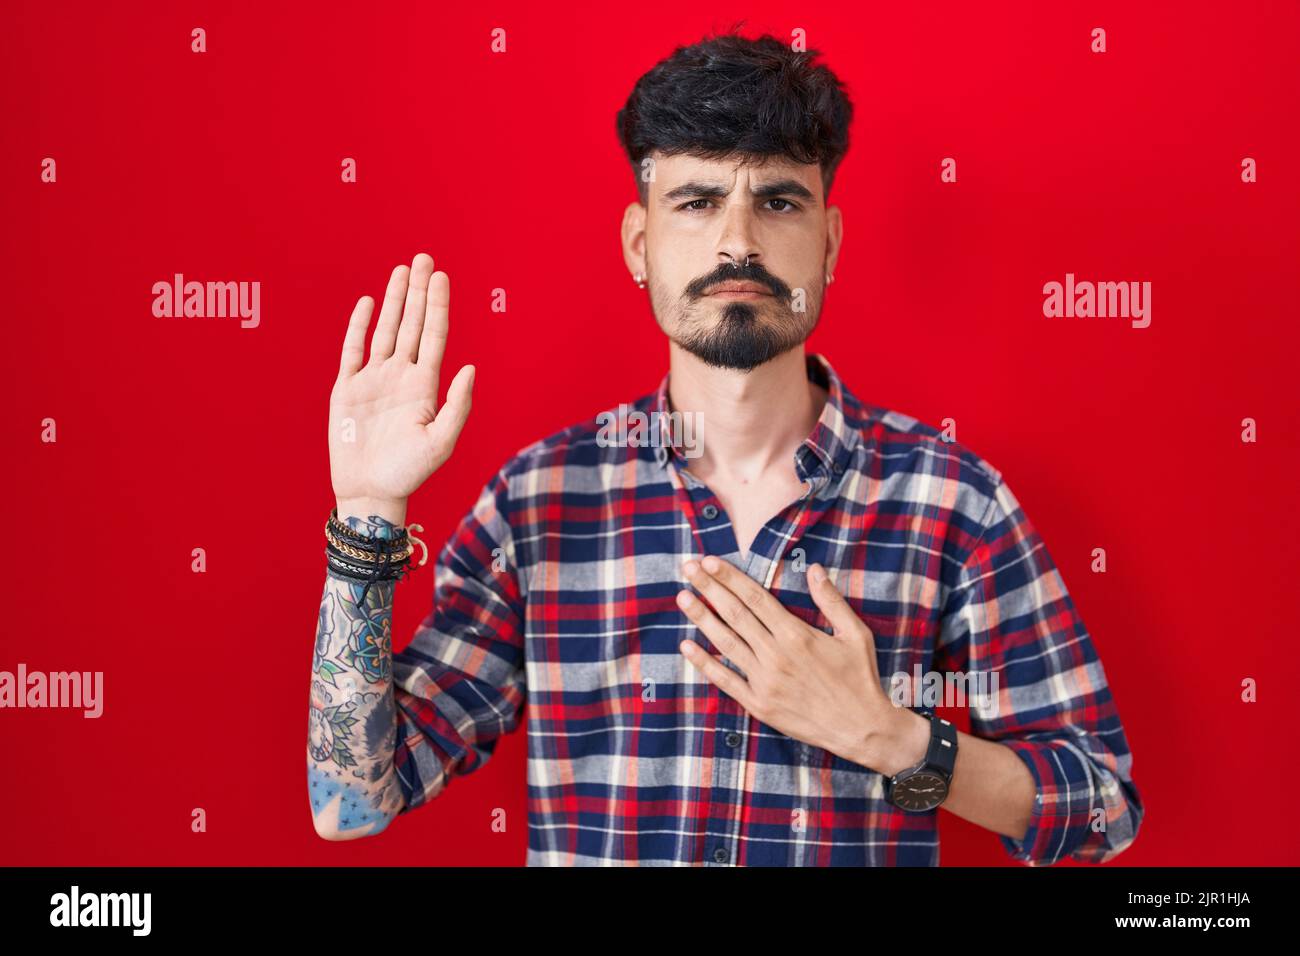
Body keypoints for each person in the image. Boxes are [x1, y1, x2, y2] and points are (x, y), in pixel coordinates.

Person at [307, 30, 1143, 866]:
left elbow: (1103, 808)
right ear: (640, 244)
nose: (738, 242)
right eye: (698, 201)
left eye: (778, 202)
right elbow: (354, 802)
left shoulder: (953, 502)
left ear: (830, 243)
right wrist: (368, 516)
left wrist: (893, 740)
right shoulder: (539, 502)